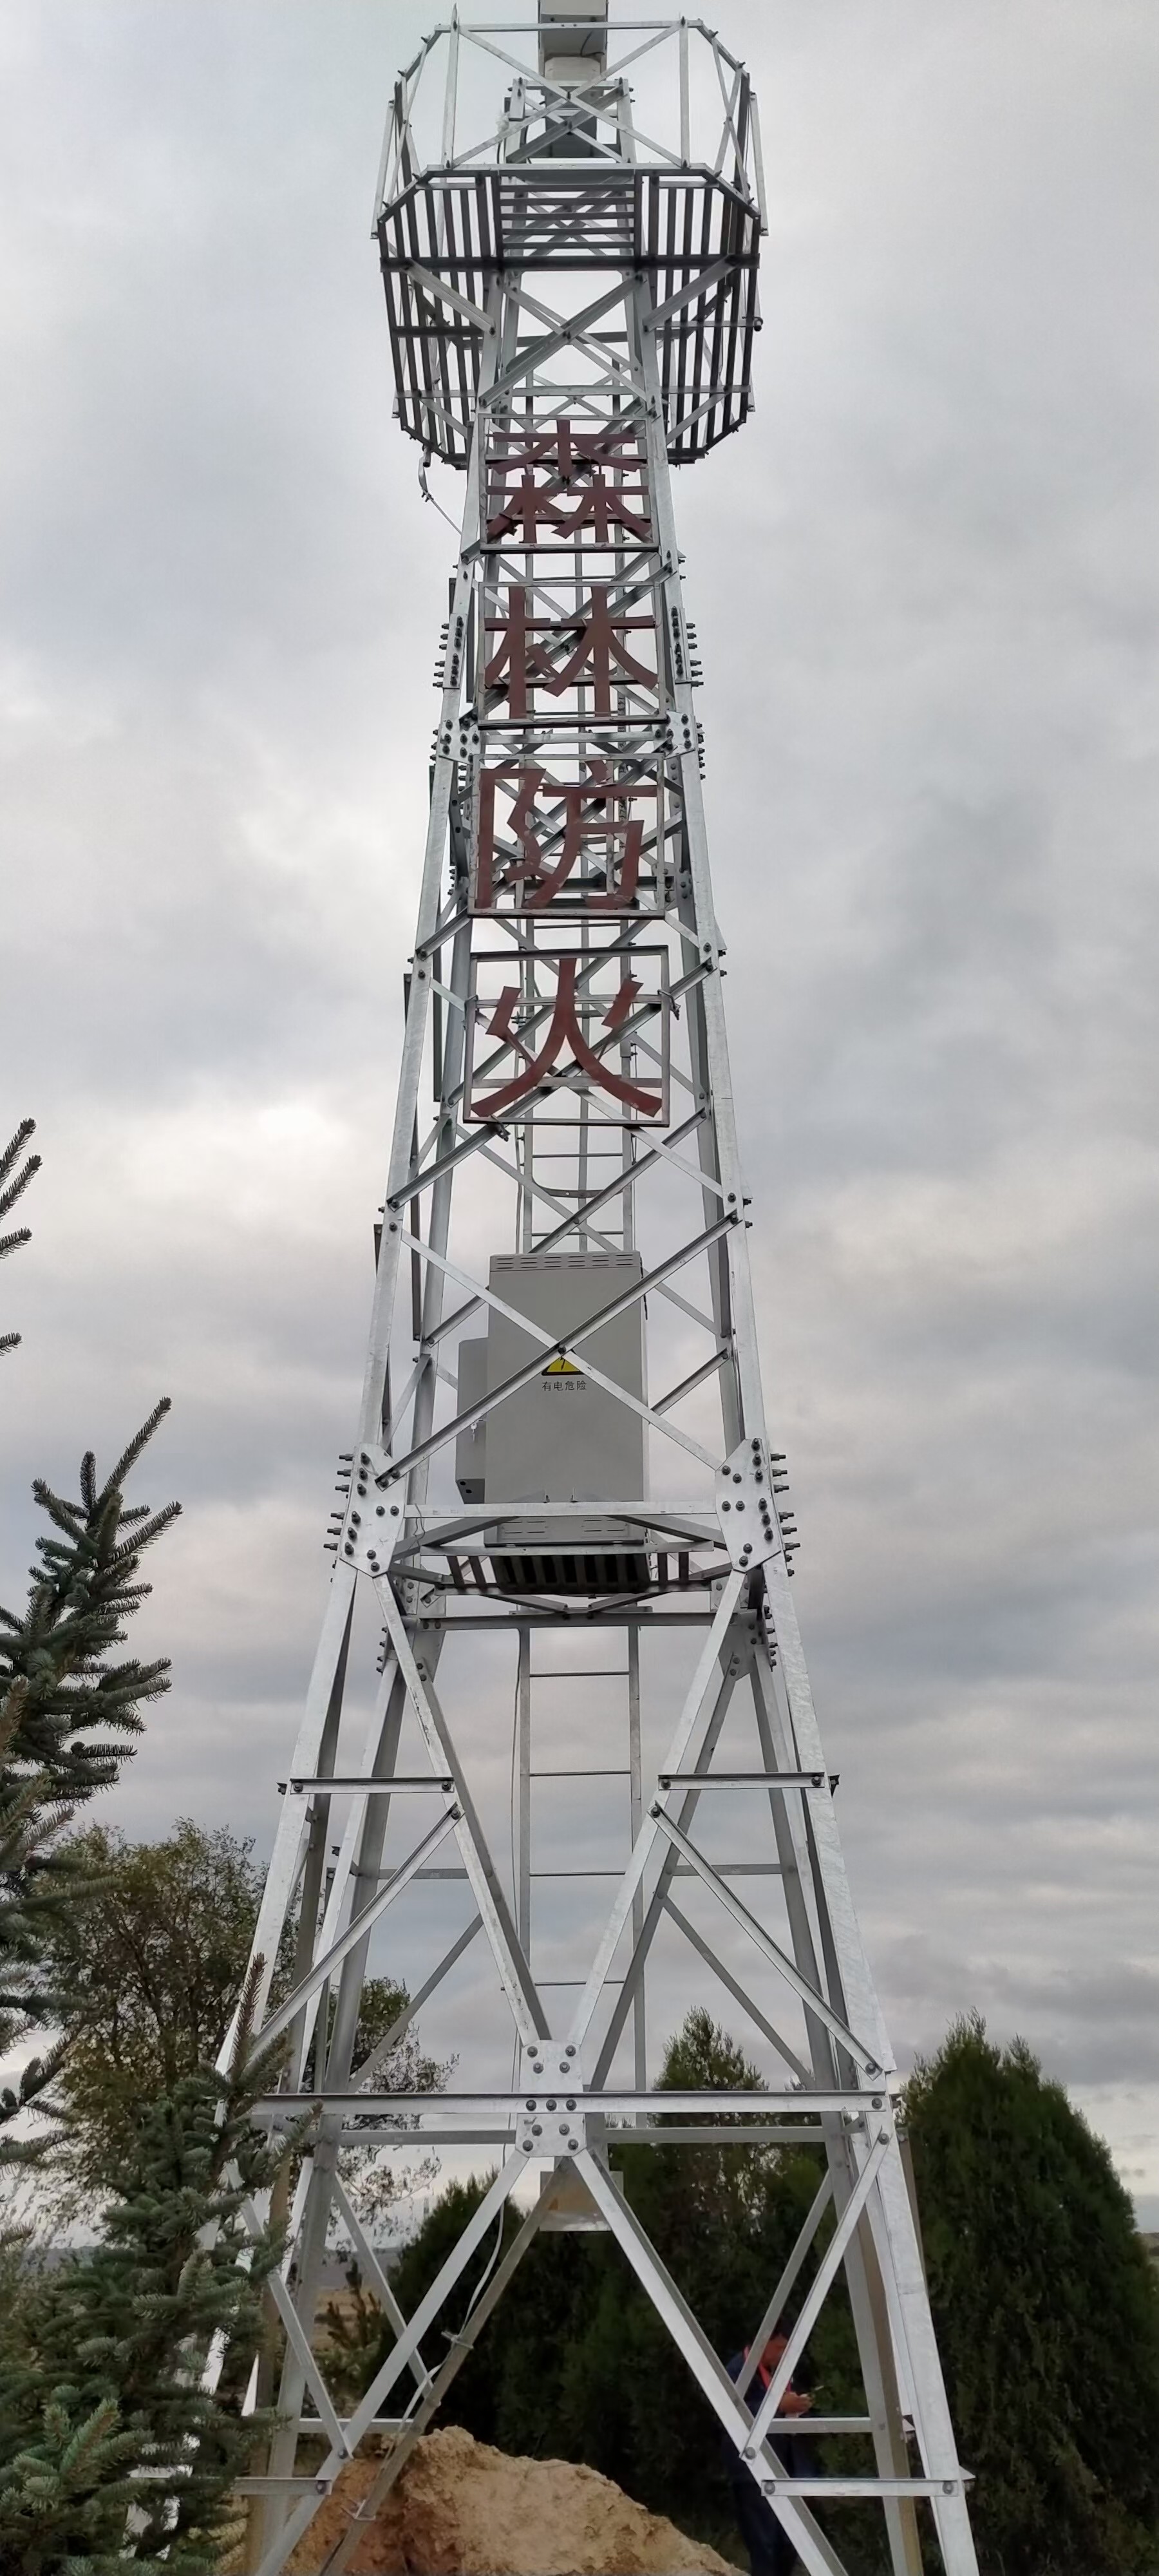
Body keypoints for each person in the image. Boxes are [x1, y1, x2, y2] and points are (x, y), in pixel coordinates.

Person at [724, 2331, 813, 2576]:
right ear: (763, 2344)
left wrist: (799, 2406)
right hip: (752, 2472)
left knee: (789, 2541)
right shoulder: (737, 2371)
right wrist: (778, 2406)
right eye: (779, 2348)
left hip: (785, 2466)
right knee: (765, 2543)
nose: (783, 2355)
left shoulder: (781, 2371)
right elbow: (733, 2413)